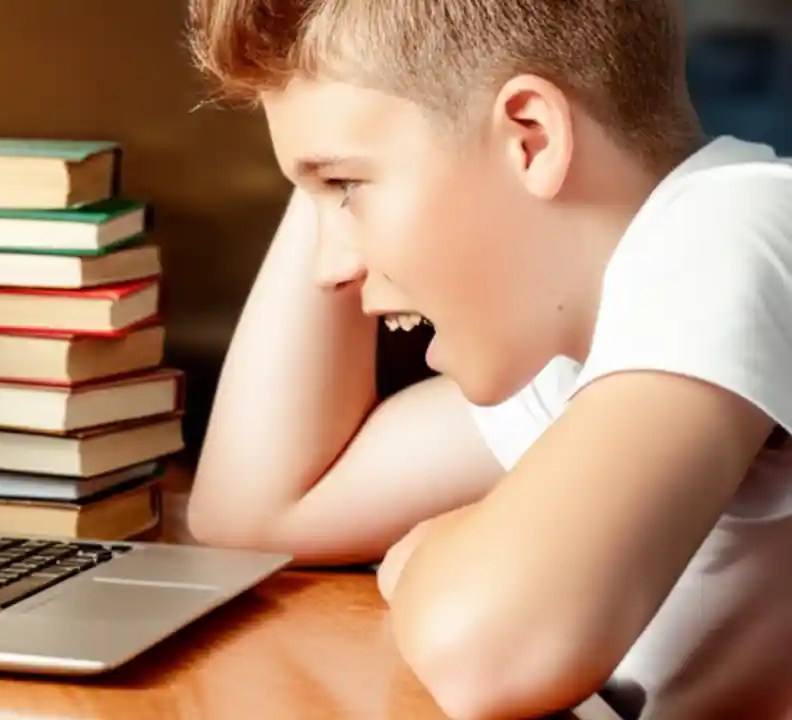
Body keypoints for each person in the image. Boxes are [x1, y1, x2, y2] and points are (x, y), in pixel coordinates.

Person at [183, 1, 792, 717]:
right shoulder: (578, 353)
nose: (330, 268)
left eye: (345, 186)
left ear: (529, 138)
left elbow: (490, 653)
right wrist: (324, 140)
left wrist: (422, 556)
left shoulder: (742, 224)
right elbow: (256, 512)